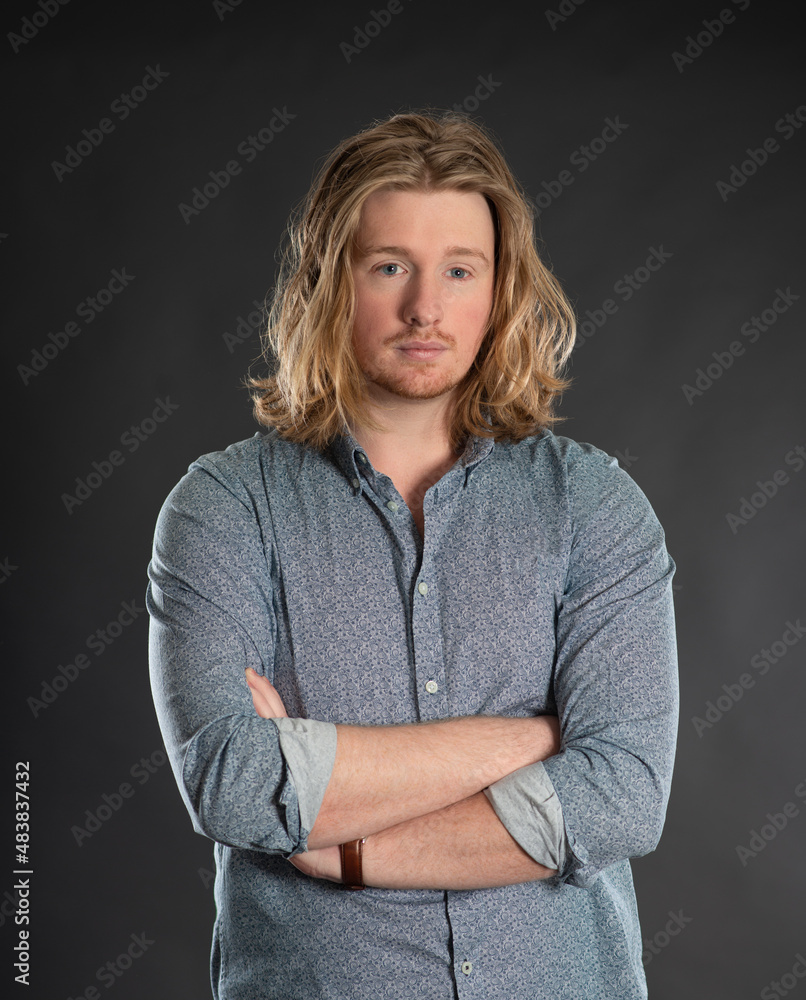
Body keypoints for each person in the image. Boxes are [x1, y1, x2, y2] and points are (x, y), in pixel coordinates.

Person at [146, 110, 678, 1000]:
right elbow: (237, 787)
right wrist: (537, 741)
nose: (425, 308)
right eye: (389, 266)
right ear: (329, 283)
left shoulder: (593, 504)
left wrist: (339, 845)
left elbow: (622, 792)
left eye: (459, 271)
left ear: (499, 290)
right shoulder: (225, 510)